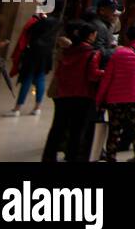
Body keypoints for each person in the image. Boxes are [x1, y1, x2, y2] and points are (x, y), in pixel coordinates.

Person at [95, 21, 135, 162]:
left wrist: (99, 98)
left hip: (115, 98)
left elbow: (108, 78)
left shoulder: (118, 53)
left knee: (114, 129)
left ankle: (111, 156)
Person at [40, 20, 102, 162]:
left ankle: (48, 156)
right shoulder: (92, 53)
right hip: (83, 94)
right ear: (91, 35)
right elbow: (92, 75)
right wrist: (105, 73)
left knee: (58, 126)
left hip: (63, 93)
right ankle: (73, 156)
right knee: (77, 129)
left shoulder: (67, 51)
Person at [9, 9, 62, 115]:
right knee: (40, 79)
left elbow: (28, 32)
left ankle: (18, 108)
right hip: (46, 53)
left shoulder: (39, 23)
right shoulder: (55, 25)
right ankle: (37, 107)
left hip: (33, 53)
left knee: (27, 79)